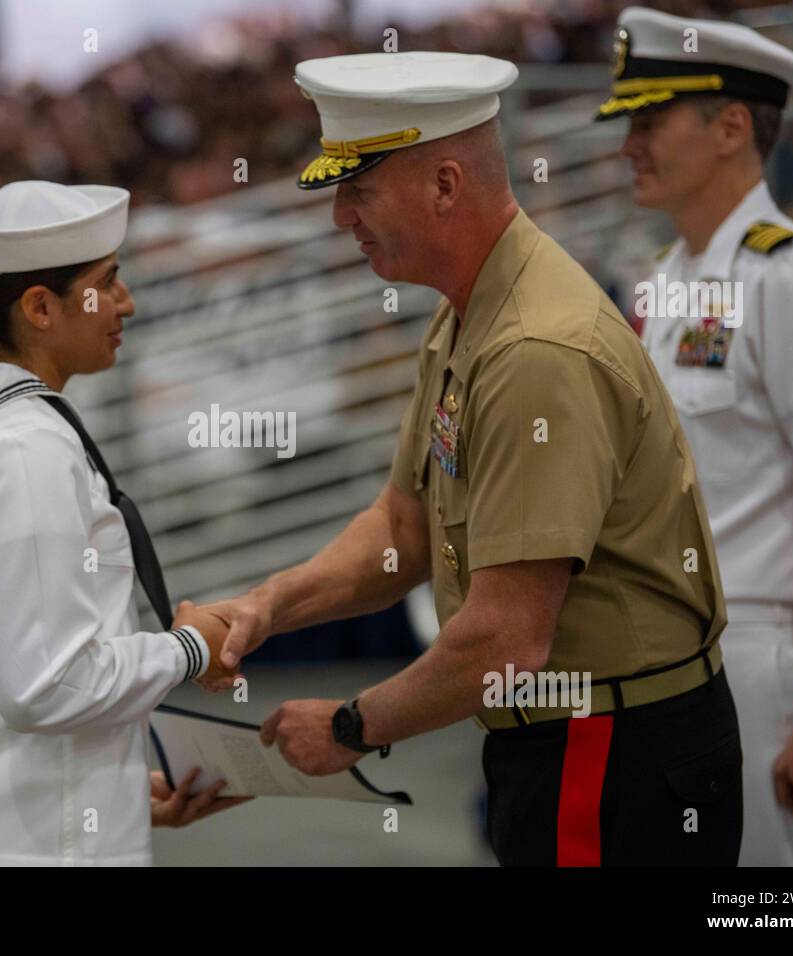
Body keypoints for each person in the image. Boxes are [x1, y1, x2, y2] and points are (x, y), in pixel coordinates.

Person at [204, 51, 741, 866]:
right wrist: (268, 607)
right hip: (563, 739)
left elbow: (507, 640)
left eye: (359, 187)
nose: (341, 214)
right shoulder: (470, 312)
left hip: (609, 746)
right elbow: (403, 526)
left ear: (446, 186)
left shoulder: (534, 347)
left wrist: (351, 726)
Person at [0, 180, 243, 865]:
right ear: (41, 307)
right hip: (41, 844)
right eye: (107, 283)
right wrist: (189, 647)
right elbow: (47, 684)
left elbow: (11, 665)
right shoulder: (25, 446)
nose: (126, 301)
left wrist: (116, 795)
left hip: (11, 821)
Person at [600, 7, 793, 866]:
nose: (628, 146)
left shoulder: (789, 273)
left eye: (650, 122)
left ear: (731, 128)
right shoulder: (671, 283)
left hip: (759, 658)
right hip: (666, 659)